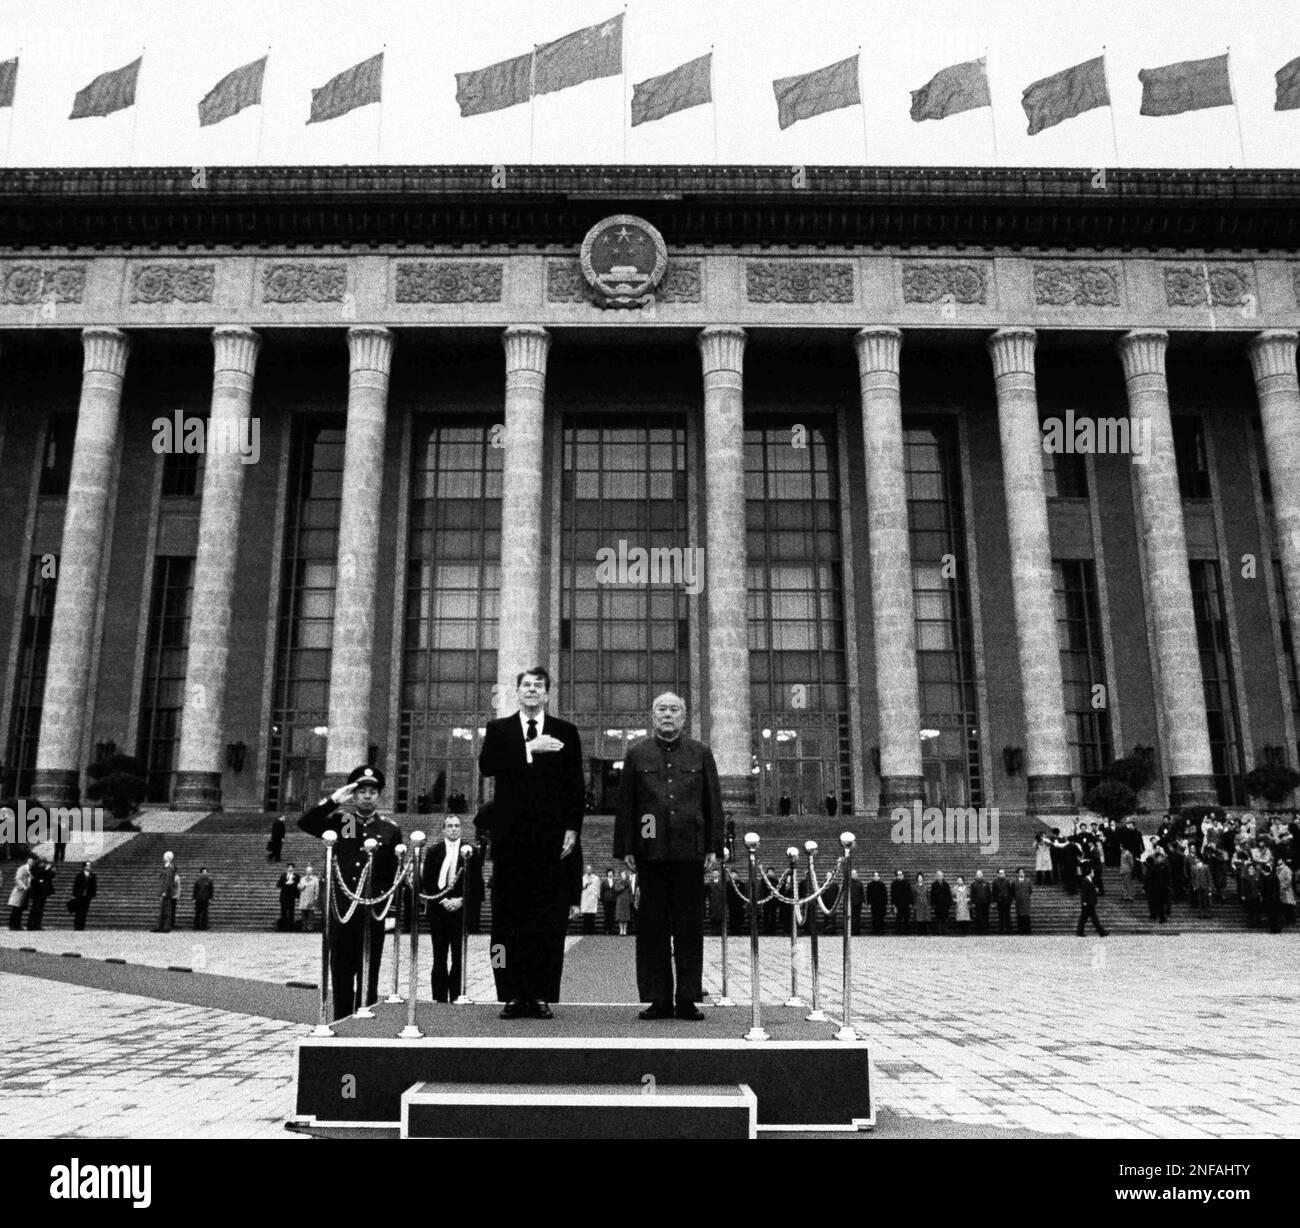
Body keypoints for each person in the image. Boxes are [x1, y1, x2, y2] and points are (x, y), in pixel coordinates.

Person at [476, 666, 584, 1020]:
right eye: (527, 685)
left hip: (551, 842)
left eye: (539, 686)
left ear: (548, 694)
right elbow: (488, 766)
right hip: (510, 842)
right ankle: (509, 993)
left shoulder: (566, 732)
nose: (533, 690)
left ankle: (540, 994)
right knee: (506, 922)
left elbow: (575, 785)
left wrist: (573, 827)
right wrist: (528, 748)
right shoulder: (499, 730)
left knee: (547, 921)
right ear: (517, 692)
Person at [614, 691, 722, 1021]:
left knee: (689, 927)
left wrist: (714, 846)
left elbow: (712, 803)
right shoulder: (637, 754)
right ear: (652, 715)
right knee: (652, 928)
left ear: (684, 717)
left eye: (674, 710)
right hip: (651, 853)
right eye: (661, 709)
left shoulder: (700, 753)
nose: (668, 715)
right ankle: (658, 997)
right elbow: (628, 805)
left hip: (690, 851)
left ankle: (688, 997)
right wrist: (627, 847)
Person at [299, 764, 403, 1020]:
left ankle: (365, 1022)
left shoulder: (390, 829)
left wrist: (390, 911)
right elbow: (306, 823)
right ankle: (342, 1022)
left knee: (369, 970)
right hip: (343, 909)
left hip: (373, 912)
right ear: (354, 796)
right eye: (361, 791)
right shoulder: (345, 822)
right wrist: (334, 800)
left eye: (372, 792)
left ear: (379, 796)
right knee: (342, 971)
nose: (367, 796)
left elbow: (394, 876)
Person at [421, 814, 469, 1002]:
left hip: (460, 912)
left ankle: (457, 994)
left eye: (457, 826)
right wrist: (442, 900)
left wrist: (461, 900)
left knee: (458, 957)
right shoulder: (434, 851)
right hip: (439, 911)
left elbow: (475, 883)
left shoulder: (470, 850)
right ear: (443, 829)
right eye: (449, 826)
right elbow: (428, 880)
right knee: (439, 956)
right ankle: (439, 998)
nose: (454, 829)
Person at [1076, 866, 1108, 937]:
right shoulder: (1086, 880)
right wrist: (1084, 901)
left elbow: (1089, 890)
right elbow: (1083, 892)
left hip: (1089, 902)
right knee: (1093, 918)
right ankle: (1101, 932)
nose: (1093, 873)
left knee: (1085, 918)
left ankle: (1080, 931)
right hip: (1088, 903)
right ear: (1090, 873)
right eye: (1092, 872)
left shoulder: (1089, 880)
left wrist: (1095, 890)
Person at [152, 852, 178, 932]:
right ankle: (160, 926)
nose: (163, 858)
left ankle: (166, 927)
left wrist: (165, 891)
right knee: (163, 909)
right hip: (165, 890)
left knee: (166, 909)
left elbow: (168, 881)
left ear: (167, 858)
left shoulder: (170, 867)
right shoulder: (167, 867)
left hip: (167, 891)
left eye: (164, 857)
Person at [26, 859, 53, 930]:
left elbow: (50, 876)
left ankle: (37, 925)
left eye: (45, 863)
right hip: (37, 892)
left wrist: (50, 870)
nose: (44, 865)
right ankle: (31, 925)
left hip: (43, 892)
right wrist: (46, 870)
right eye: (43, 863)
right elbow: (39, 876)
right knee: (35, 908)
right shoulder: (35, 869)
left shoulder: (44, 870)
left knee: (40, 909)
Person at [70, 861, 97, 931]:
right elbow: (76, 885)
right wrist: (75, 894)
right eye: (88, 866)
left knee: (85, 911)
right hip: (79, 895)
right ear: (84, 867)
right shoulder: (79, 875)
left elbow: (94, 886)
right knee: (78, 911)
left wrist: (92, 894)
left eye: (90, 866)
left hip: (87, 896)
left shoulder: (92, 875)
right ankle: (77, 926)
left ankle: (82, 926)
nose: (89, 867)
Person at [8, 856, 33, 929]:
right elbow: (18, 878)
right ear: (26, 861)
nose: (31, 863)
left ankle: (17, 925)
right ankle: (12, 925)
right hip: (20, 891)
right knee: (15, 909)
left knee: (20, 909)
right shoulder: (22, 868)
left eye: (32, 861)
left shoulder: (30, 870)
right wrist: (23, 886)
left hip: (25, 892)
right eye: (29, 861)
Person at [276, 863, 300, 931]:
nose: (290, 869)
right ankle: (283, 927)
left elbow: (299, 885)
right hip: (284, 896)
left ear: (293, 868)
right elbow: (278, 884)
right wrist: (285, 883)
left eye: (291, 867)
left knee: (291, 912)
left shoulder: (296, 876)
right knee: (283, 912)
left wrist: (297, 895)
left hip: (291, 897)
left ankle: (291, 927)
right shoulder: (283, 875)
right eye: (289, 867)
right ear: (287, 868)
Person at [929, 869, 952, 936]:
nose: (940, 876)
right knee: (938, 919)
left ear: (943, 876)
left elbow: (948, 894)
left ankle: (945, 931)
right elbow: (932, 895)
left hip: (945, 905)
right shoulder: (934, 885)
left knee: (945, 918)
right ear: (936, 876)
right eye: (938, 875)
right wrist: (932, 904)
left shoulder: (946, 884)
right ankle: (939, 931)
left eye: (941, 875)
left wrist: (949, 903)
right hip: (937, 904)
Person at [579, 862, 600, 934]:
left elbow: (598, 887)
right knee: (586, 915)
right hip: (585, 898)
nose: (588, 870)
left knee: (592, 915)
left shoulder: (596, 878)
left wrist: (598, 895)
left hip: (593, 898)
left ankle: (591, 930)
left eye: (589, 869)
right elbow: (580, 887)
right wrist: (586, 884)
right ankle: (585, 929)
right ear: (585, 870)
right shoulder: (583, 878)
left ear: (592, 870)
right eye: (587, 869)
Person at [890, 869, 912, 935]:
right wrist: (893, 905)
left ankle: (906, 932)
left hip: (906, 904)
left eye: (901, 875)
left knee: (906, 919)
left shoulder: (907, 883)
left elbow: (909, 894)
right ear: (896, 876)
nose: (900, 876)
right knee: (898, 920)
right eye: (899, 875)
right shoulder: (893, 884)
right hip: (898, 905)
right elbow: (892, 895)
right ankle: (898, 932)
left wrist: (910, 903)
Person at [991, 868, 1013, 934]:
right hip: (999, 901)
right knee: (1000, 916)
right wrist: (994, 901)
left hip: (1007, 901)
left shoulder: (1007, 881)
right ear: (997, 874)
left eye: (1003, 873)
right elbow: (993, 892)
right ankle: (1001, 929)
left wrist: (1010, 899)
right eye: (1000, 873)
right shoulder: (995, 882)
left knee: (1007, 916)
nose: (1002, 874)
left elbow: (1010, 891)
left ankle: (1008, 929)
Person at [298, 865, 319, 932]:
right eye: (307, 871)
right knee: (303, 913)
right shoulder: (302, 879)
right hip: (304, 898)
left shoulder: (315, 879)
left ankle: (310, 927)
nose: (308, 872)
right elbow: (299, 887)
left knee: (310, 913)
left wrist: (316, 897)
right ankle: (304, 927)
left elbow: (317, 889)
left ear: (312, 871)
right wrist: (302, 886)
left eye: (310, 871)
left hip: (311, 898)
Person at [970, 869, 991, 934]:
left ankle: (986, 930)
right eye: (978, 874)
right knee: (978, 917)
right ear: (976, 876)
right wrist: (972, 902)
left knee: (985, 916)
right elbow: (972, 894)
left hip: (985, 902)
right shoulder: (973, 884)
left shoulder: (986, 883)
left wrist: (990, 901)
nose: (979, 875)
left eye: (980, 874)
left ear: (982, 875)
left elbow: (989, 893)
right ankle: (979, 930)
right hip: (977, 903)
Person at [865, 870, 886, 935]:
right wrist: (869, 902)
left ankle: (881, 930)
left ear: (879, 877)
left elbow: (885, 894)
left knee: (881, 917)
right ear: (873, 877)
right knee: (874, 917)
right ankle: (875, 930)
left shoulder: (882, 885)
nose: (876, 877)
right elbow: (868, 894)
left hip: (881, 904)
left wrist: (885, 903)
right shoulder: (870, 885)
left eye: (877, 876)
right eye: (875, 876)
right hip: (874, 904)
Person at [193, 866, 214, 931]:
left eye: (206, 872)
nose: (205, 873)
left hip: (206, 898)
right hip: (198, 898)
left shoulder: (210, 881)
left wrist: (210, 898)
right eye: (203, 872)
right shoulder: (197, 880)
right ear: (201, 873)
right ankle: (196, 926)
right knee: (197, 912)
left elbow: (211, 890)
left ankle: (204, 926)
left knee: (205, 913)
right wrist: (193, 898)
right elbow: (195, 889)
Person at [600, 866, 619, 934]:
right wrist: (602, 900)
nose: (610, 874)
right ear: (607, 874)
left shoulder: (615, 881)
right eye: (609, 873)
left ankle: (612, 929)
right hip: (606, 900)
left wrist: (616, 899)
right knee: (606, 915)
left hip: (613, 900)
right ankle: (606, 929)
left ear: (613, 874)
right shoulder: (604, 882)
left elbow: (617, 891)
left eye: (611, 873)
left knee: (612, 915)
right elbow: (602, 891)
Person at [1013, 868, 1033, 933]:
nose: (1021, 874)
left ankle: (1027, 930)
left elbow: (1030, 890)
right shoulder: (1014, 882)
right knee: (1020, 916)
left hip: (1026, 901)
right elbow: (1013, 891)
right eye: (1020, 872)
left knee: (1026, 916)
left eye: (1022, 872)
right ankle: (1021, 930)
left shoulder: (1028, 881)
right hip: (1019, 902)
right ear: (1017, 874)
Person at [615, 869, 633, 935]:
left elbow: (630, 892)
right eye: (622, 874)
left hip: (626, 900)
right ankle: (621, 929)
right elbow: (616, 890)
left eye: (624, 874)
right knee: (620, 916)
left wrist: (631, 900)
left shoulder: (628, 882)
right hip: (620, 900)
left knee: (625, 916)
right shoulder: (617, 882)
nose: (623, 876)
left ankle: (625, 929)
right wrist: (623, 887)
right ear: (620, 875)